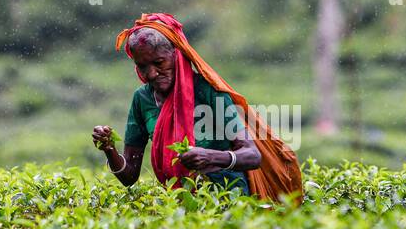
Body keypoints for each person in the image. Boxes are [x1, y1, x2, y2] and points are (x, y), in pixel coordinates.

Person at [93, 13, 304, 202]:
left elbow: (251, 155)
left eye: (159, 62)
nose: (151, 74)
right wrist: (109, 149)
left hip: (228, 200)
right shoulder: (142, 100)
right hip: (178, 204)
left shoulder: (209, 92)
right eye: (142, 66)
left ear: (177, 55)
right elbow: (129, 176)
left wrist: (211, 157)